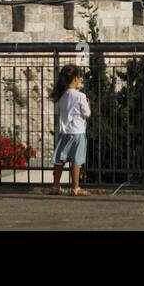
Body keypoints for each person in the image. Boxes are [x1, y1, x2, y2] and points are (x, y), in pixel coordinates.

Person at [49, 65, 91, 196]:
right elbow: (87, 114)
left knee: (60, 159)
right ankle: (75, 187)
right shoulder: (80, 96)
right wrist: (89, 105)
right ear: (75, 79)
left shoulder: (62, 95)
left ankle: (55, 185)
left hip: (65, 131)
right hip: (77, 132)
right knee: (76, 161)